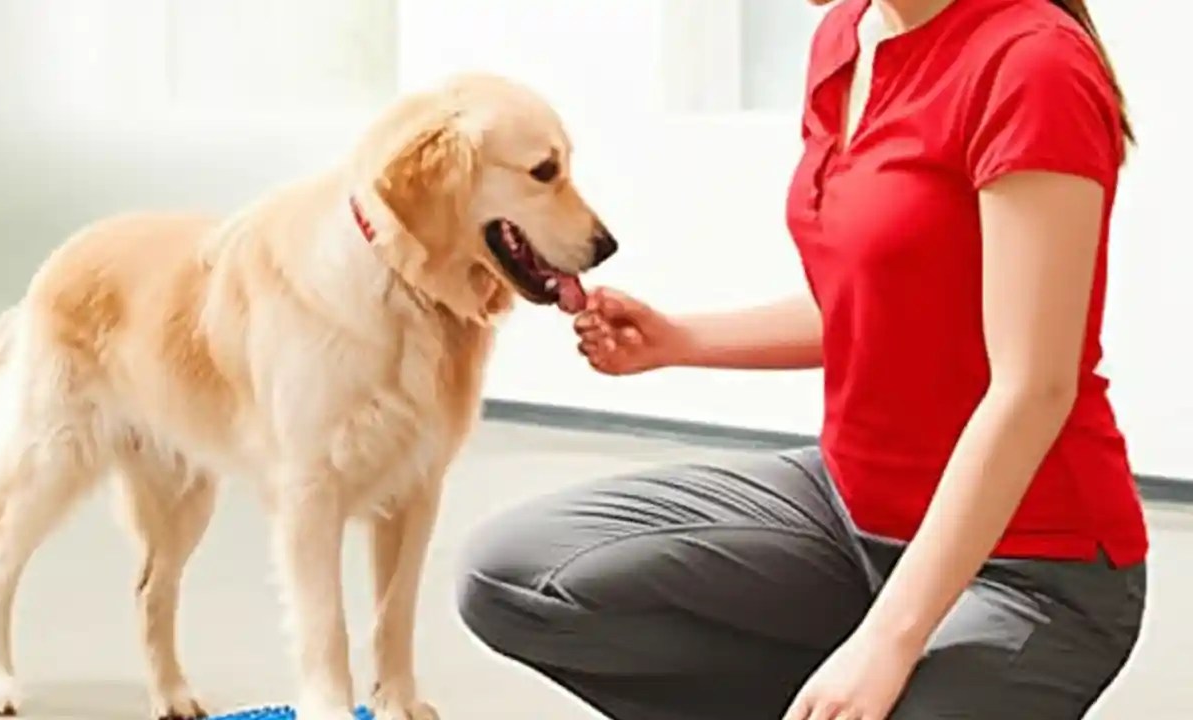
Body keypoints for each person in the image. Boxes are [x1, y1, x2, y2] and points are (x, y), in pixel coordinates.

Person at [455, 0, 1148, 718]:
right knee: (510, 578)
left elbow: (1033, 387)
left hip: (1031, 565)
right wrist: (680, 341)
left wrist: (887, 642)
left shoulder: (1032, 63)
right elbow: (876, 305)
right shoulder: (845, 36)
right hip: (849, 514)